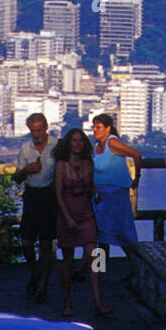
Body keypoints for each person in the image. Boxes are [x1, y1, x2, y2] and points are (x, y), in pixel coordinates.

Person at [53, 128, 111, 318]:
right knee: (68, 262)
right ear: (68, 144)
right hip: (67, 214)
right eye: (74, 141)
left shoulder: (88, 163)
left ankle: (98, 301)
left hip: (86, 213)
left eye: (80, 141)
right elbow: (58, 194)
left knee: (96, 257)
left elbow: (89, 183)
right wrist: (68, 218)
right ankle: (67, 303)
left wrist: (96, 191)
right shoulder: (61, 165)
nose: (77, 144)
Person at [91, 113, 142, 281]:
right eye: (93, 127)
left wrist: (137, 178)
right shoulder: (97, 144)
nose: (94, 130)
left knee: (122, 232)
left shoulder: (112, 142)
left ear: (107, 128)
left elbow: (136, 154)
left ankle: (137, 267)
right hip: (100, 195)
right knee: (100, 234)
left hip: (115, 195)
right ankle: (99, 270)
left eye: (98, 127)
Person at [13, 112, 56, 302]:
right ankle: (34, 271)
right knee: (27, 242)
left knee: (46, 243)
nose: (36, 134)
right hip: (31, 195)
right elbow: (16, 178)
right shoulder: (25, 148)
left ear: (46, 128)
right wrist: (26, 170)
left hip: (50, 195)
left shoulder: (57, 146)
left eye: (39, 130)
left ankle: (43, 286)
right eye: (33, 131)